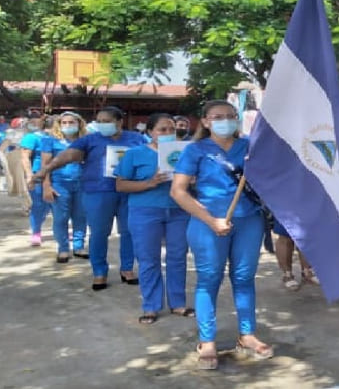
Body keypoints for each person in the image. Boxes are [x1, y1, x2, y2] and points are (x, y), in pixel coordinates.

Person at [170, 100, 271, 370]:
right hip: (208, 223)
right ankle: (207, 341)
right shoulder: (195, 150)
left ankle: (247, 335)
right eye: (217, 117)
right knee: (209, 279)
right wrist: (210, 220)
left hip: (249, 220)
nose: (225, 121)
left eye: (230, 116)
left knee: (244, 278)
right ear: (205, 121)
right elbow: (178, 191)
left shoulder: (250, 146)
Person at [34, 106, 144, 290]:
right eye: (99, 121)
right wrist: (46, 169)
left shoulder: (136, 139)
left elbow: (154, 153)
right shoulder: (90, 139)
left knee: (129, 232)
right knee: (99, 233)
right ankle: (99, 272)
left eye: (106, 121)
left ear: (119, 122)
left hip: (129, 191)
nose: (102, 124)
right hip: (98, 192)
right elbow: (68, 155)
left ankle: (127, 269)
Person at [115, 113, 192, 325]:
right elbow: (120, 185)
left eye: (172, 129)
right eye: (162, 129)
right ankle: (150, 306)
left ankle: (178, 303)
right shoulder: (135, 154)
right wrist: (149, 182)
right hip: (145, 210)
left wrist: (192, 180)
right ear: (150, 132)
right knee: (148, 258)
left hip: (179, 210)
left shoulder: (185, 152)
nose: (168, 133)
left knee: (178, 256)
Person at [40, 112, 88, 262]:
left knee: (81, 217)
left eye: (71, 122)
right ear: (59, 124)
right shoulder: (50, 141)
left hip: (82, 184)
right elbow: (45, 165)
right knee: (61, 218)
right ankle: (63, 248)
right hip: (59, 184)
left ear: (79, 124)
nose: (68, 125)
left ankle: (79, 246)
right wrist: (46, 186)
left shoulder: (85, 140)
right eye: (64, 122)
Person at [20, 113, 50, 246]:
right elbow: (25, 157)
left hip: (55, 175)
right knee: (38, 205)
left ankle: (61, 230)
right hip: (37, 175)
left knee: (52, 205)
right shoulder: (31, 137)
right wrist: (29, 175)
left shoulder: (53, 137)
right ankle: (36, 232)